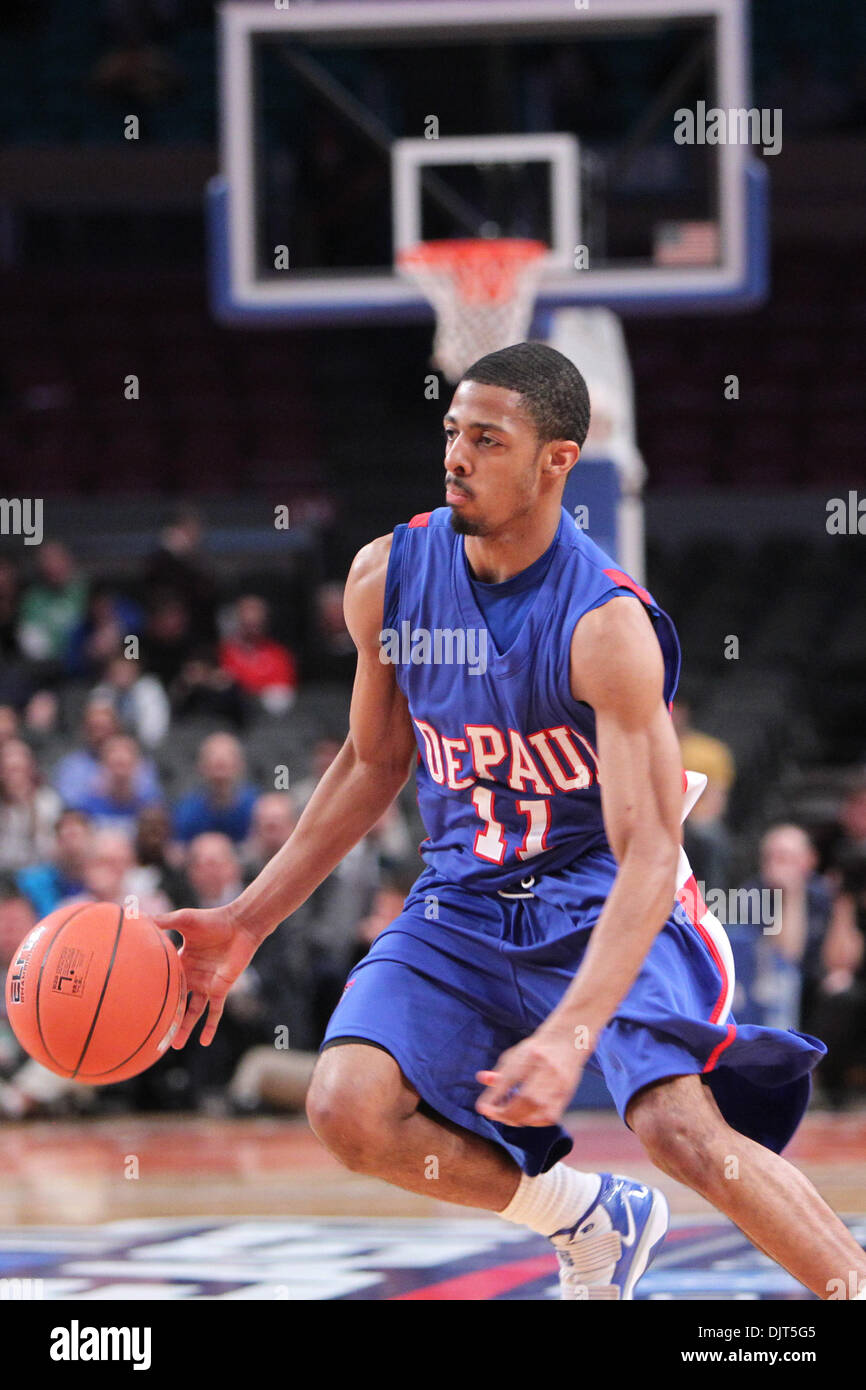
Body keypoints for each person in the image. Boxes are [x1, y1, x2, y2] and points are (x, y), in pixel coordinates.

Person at [157, 342, 866, 1302]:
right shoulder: (387, 578)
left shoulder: (604, 626)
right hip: (463, 896)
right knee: (347, 1108)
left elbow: (651, 855)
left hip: (606, 895)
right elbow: (374, 764)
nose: (456, 455)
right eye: (453, 432)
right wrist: (245, 919)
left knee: (676, 1129)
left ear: (556, 461)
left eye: (487, 440)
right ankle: (585, 1218)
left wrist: (568, 1036)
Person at [172, 731, 258, 845]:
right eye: (215, 768)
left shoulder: (257, 808)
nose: (220, 777)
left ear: (240, 766)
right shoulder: (187, 812)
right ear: (201, 767)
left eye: (225, 768)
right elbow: (179, 851)